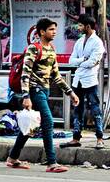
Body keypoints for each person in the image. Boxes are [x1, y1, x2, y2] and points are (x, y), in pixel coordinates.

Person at [7, 17, 79, 173]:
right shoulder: (34, 48)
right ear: (41, 32)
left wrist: (70, 93)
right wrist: (26, 96)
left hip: (44, 90)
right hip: (34, 90)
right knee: (48, 122)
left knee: (29, 127)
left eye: (55, 29)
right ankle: (52, 162)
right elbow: (25, 74)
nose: (54, 32)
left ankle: (13, 158)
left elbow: (56, 75)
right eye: (51, 30)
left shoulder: (51, 49)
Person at [64, 14, 106, 149]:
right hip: (78, 80)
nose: (79, 27)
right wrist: (82, 60)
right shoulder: (80, 41)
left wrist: (81, 62)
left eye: (81, 25)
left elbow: (93, 62)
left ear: (87, 26)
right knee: (77, 109)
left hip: (90, 81)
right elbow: (71, 61)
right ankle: (76, 137)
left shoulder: (97, 42)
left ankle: (100, 138)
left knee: (95, 109)